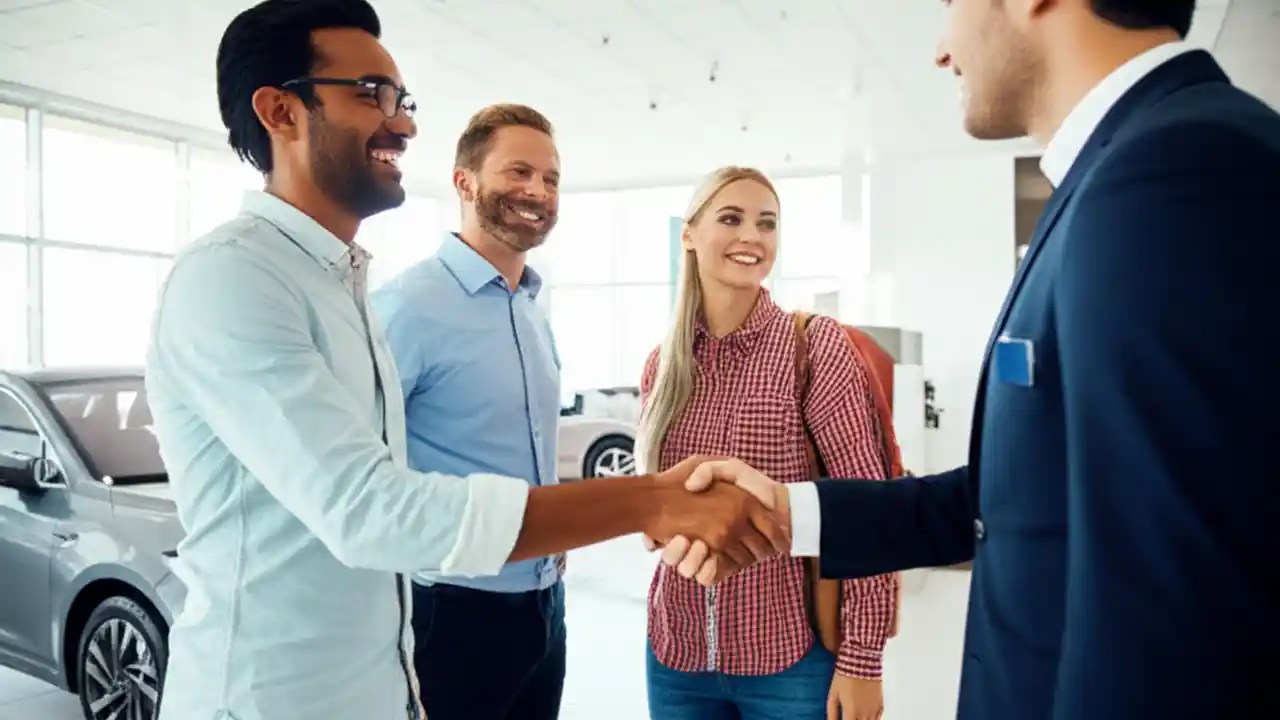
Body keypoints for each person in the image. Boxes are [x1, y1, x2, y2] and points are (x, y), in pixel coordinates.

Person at [144, 2, 786, 719]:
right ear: (281, 112)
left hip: (396, 676)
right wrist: (652, 499)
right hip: (270, 697)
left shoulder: (344, 284)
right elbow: (370, 508)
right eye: (372, 94)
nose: (405, 122)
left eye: (404, 99)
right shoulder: (235, 278)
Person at [662, 0, 1280, 718]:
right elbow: (1006, 500)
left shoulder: (1176, 171)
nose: (942, 51)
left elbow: (1176, 605)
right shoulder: (1123, 171)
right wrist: (790, 508)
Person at [636, 166, 898, 720]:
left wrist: (863, 660)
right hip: (676, 654)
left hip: (790, 658)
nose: (752, 236)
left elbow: (869, 507)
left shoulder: (813, 347)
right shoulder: (661, 366)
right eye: (731, 218)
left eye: (767, 223)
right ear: (689, 234)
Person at [370, 104, 568, 720]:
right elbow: (360, 467)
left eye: (551, 178)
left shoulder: (533, 305)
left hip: (545, 605)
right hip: (450, 611)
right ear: (465, 182)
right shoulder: (403, 307)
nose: (537, 191)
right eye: (519, 172)